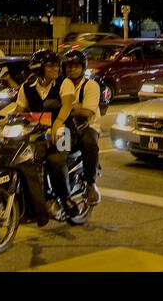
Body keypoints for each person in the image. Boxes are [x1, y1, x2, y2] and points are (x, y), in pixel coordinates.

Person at [16, 51, 76, 221]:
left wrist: (59, 122)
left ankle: (66, 199)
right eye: (51, 65)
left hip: (64, 132)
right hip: (37, 133)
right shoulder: (26, 87)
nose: (56, 68)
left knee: (55, 160)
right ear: (39, 69)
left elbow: (67, 105)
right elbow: (19, 110)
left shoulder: (65, 83)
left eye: (57, 65)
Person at [61, 49, 101, 205]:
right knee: (56, 154)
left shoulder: (90, 86)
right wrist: (74, 107)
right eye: (68, 66)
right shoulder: (62, 84)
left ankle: (91, 183)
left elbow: (86, 112)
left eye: (75, 66)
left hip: (87, 127)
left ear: (83, 67)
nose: (71, 69)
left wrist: (67, 108)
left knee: (89, 143)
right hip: (66, 129)